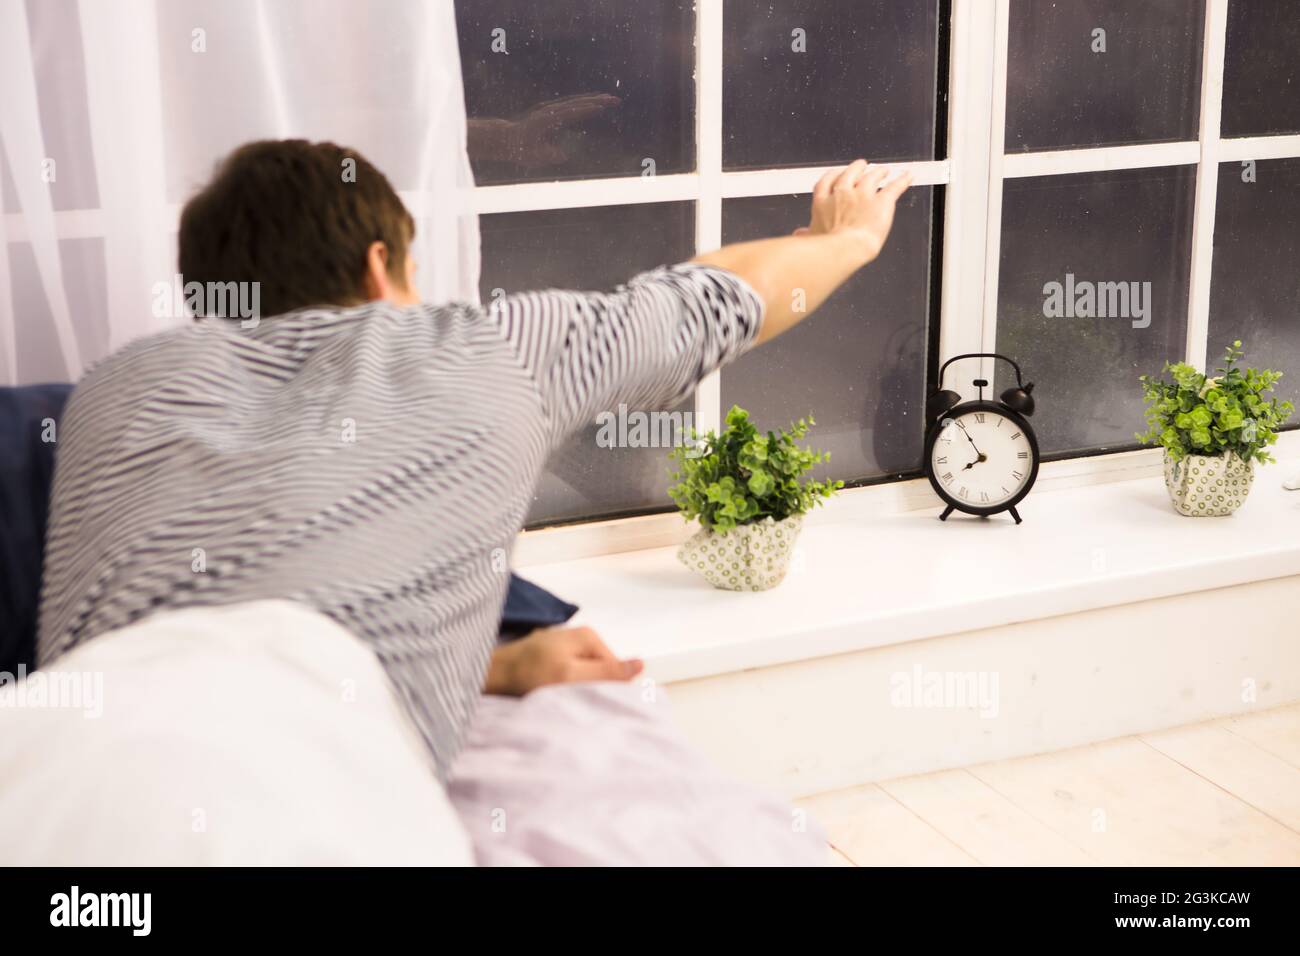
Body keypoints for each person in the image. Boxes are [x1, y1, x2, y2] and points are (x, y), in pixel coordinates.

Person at [37, 139, 911, 778]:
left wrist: (484, 664)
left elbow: (229, 622)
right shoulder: (488, 348)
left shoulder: (111, 393)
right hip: (294, 801)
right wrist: (848, 240)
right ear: (383, 267)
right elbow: (708, 303)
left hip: (48, 780)